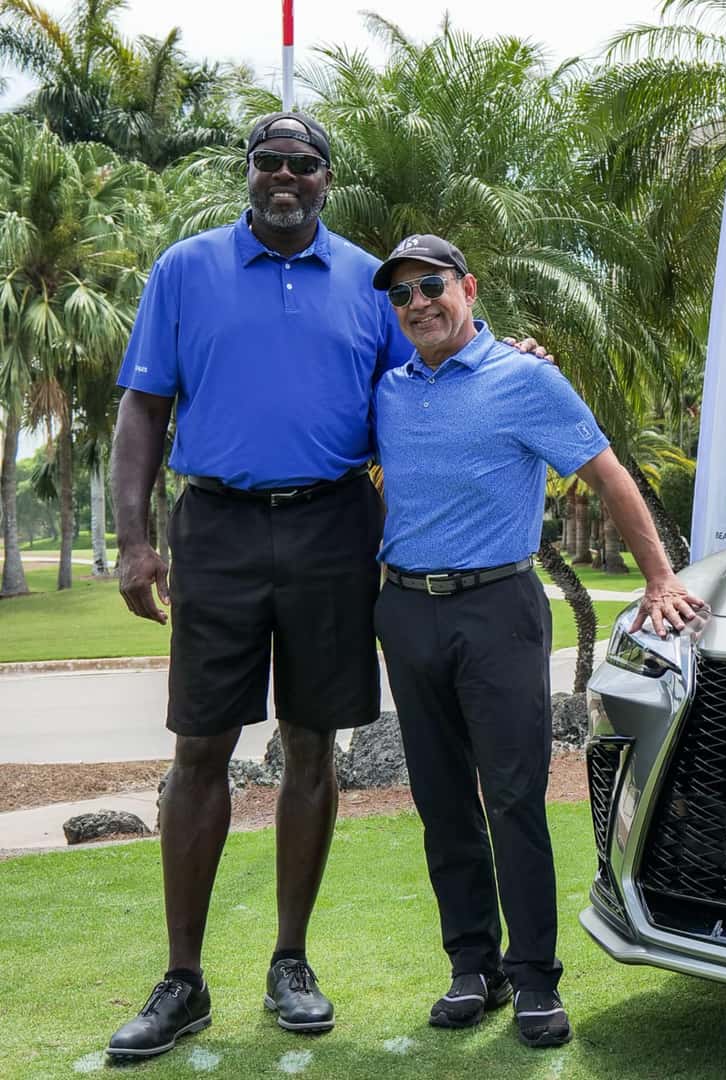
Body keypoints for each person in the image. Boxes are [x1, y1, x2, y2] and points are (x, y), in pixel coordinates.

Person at [104, 114, 545, 1061]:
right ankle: (183, 978)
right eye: (270, 163)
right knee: (200, 748)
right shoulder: (186, 268)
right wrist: (136, 542)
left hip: (334, 527)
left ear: (326, 180)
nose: (285, 178)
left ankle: (290, 962)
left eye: (304, 165)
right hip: (215, 527)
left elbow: (438, 365)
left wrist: (518, 361)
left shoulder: (368, 281)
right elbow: (144, 407)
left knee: (312, 745)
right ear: (249, 173)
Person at [370, 234, 705, 1048]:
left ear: (469, 288)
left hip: (499, 610)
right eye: (402, 294)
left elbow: (610, 474)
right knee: (441, 802)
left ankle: (534, 981)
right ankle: (471, 969)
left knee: (515, 797)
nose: (418, 303)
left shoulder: (528, 377)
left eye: (431, 286)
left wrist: (660, 579)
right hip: (407, 612)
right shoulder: (385, 388)